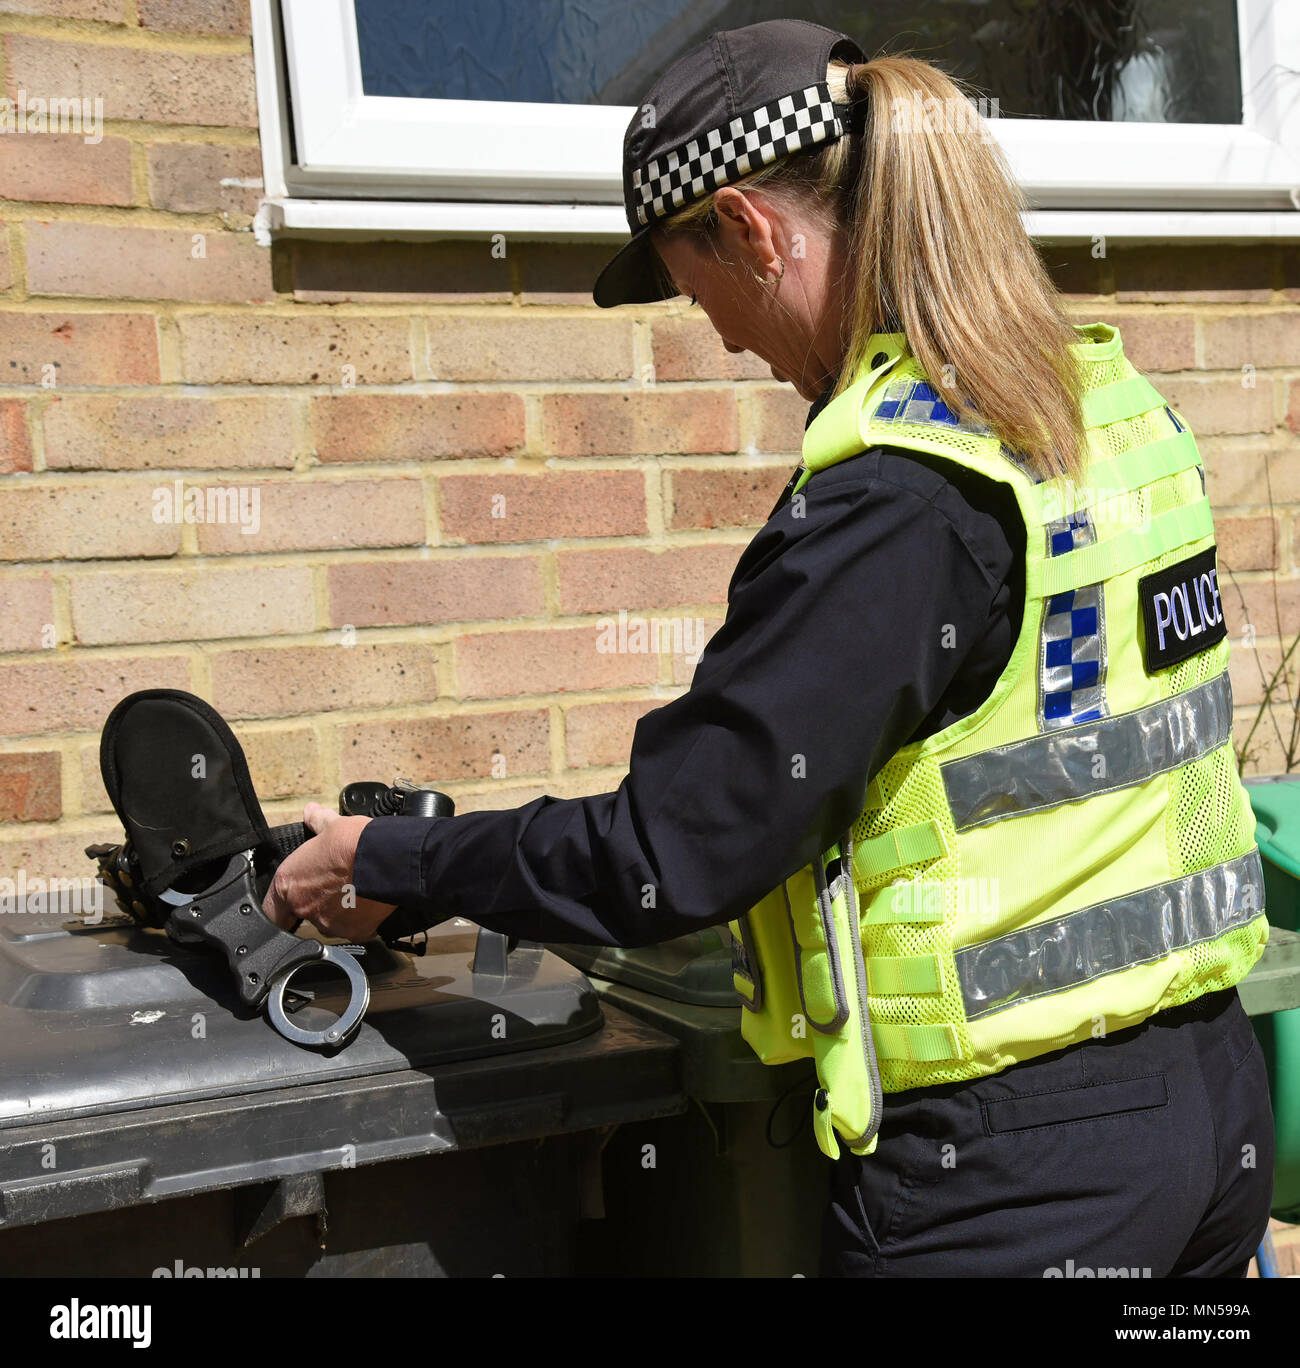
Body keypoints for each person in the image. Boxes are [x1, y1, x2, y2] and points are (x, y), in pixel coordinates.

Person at [263, 19, 1275, 1278]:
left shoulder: (902, 499)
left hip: (1018, 1180)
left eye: (705, 301)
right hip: (1213, 1111)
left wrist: (393, 859)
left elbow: (673, 850)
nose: (729, 344)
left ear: (749, 229)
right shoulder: (1103, 414)